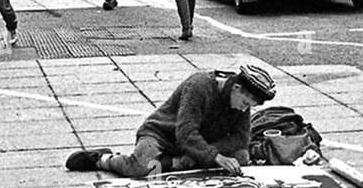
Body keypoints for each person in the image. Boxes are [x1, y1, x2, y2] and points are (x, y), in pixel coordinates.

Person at [65, 64, 277, 178]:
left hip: (199, 143)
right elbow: (185, 134)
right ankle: (102, 158)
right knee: (138, 168)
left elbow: (242, 138)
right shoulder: (200, 85)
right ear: (236, 88)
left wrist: (213, 153)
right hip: (162, 135)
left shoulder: (240, 100)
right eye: (245, 102)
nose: (245, 108)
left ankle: (175, 163)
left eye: (251, 106)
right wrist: (214, 157)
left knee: (241, 157)